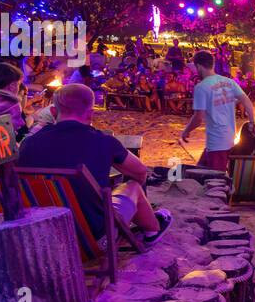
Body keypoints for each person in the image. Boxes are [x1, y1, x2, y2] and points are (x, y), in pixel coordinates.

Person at [17, 84, 171, 243]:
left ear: (54, 112)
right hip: (93, 239)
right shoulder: (104, 141)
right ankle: (152, 230)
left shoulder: (29, 143)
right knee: (133, 187)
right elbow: (140, 171)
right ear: (90, 114)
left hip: (44, 235)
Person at [181, 52, 255, 171]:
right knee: (199, 171)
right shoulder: (229, 82)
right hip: (228, 138)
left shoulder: (201, 87)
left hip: (217, 143)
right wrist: (252, 122)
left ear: (199, 66)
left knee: (216, 180)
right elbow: (247, 101)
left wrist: (186, 131)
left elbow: (198, 118)